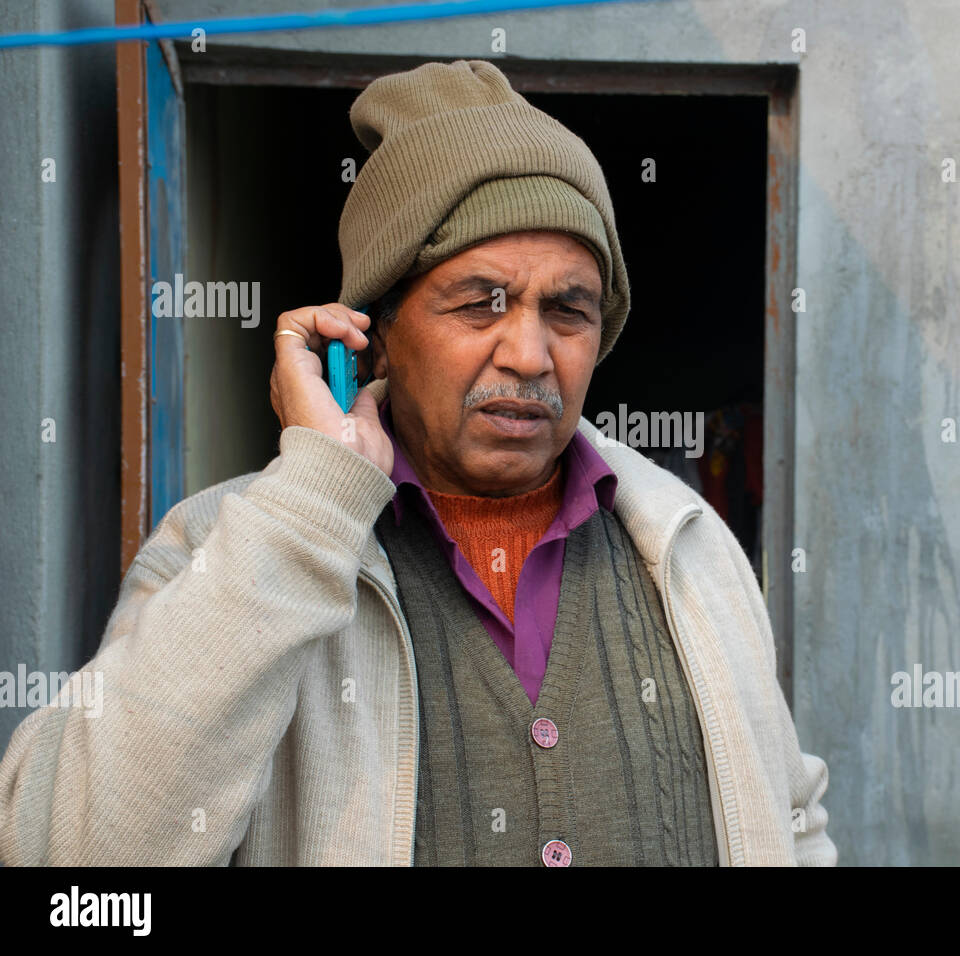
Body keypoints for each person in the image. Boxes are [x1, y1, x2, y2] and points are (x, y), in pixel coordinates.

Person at [0, 59, 834, 866]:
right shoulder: (228, 543)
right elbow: (65, 855)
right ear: (374, 334)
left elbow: (792, 823)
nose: (529, 354)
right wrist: (312, 503)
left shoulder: (686, 545)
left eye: (568, 311)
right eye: (480, 305)